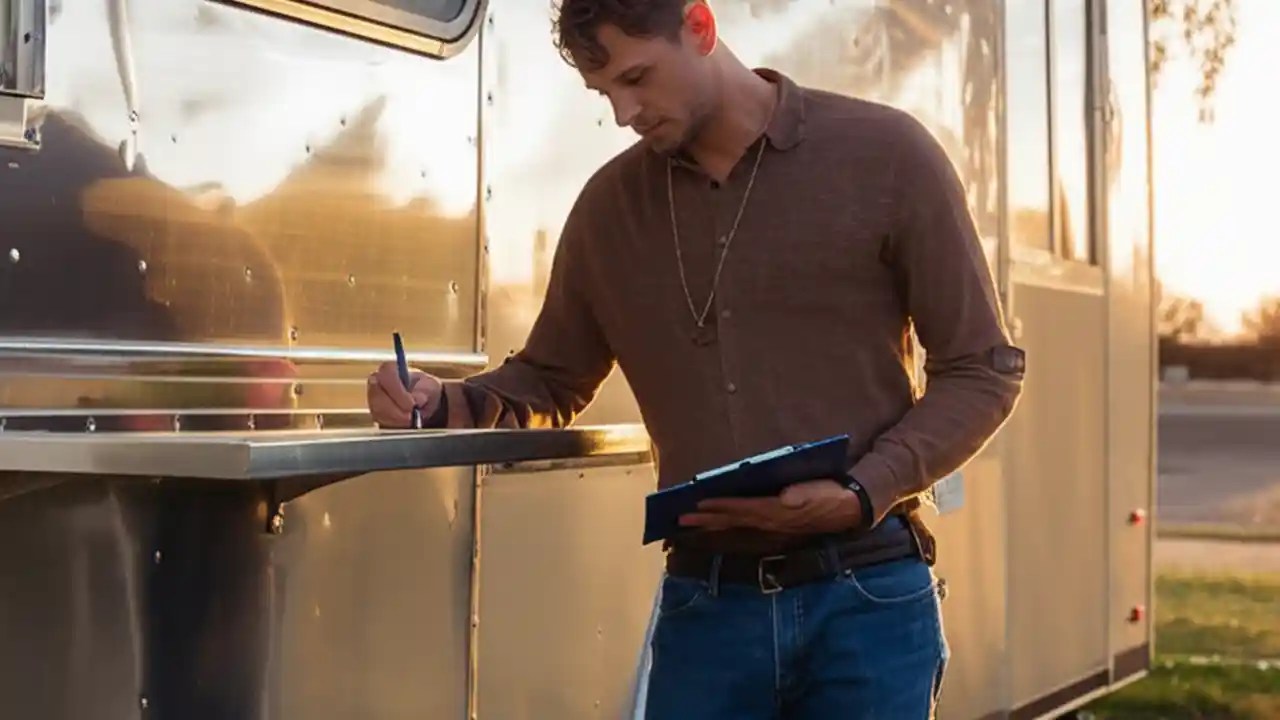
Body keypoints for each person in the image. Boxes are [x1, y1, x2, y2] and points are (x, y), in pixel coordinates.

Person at [368, 1, 1025, 717]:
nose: (624, 112)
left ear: (701, 26)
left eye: (637, 78)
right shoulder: (607, 211)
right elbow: (548, 379)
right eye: (605, 93)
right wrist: (435, 402)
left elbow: (982, 369)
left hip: (867, 598)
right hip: (708, 610)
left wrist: (866, 489)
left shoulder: (889, 156)